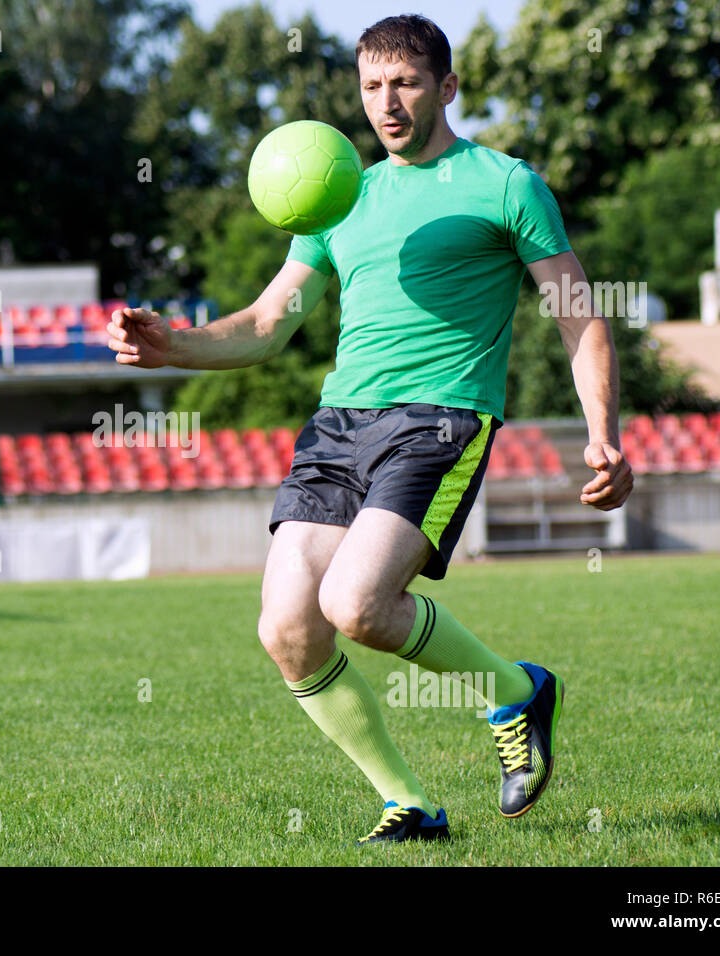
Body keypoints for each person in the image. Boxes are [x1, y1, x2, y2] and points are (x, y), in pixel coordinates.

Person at [106, 13, 633, 843]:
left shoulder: (505, 184)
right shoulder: (339, 194)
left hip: (440, 419)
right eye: (371, 86)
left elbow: (578, 316)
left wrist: (602, 431)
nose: (386, 103)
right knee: (286, 629)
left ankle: (515, 690)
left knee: (357, 603)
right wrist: (171, 345)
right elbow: (271, 321)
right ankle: (411, 804)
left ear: (448, 87)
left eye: (406, 83)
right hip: (338, 425)